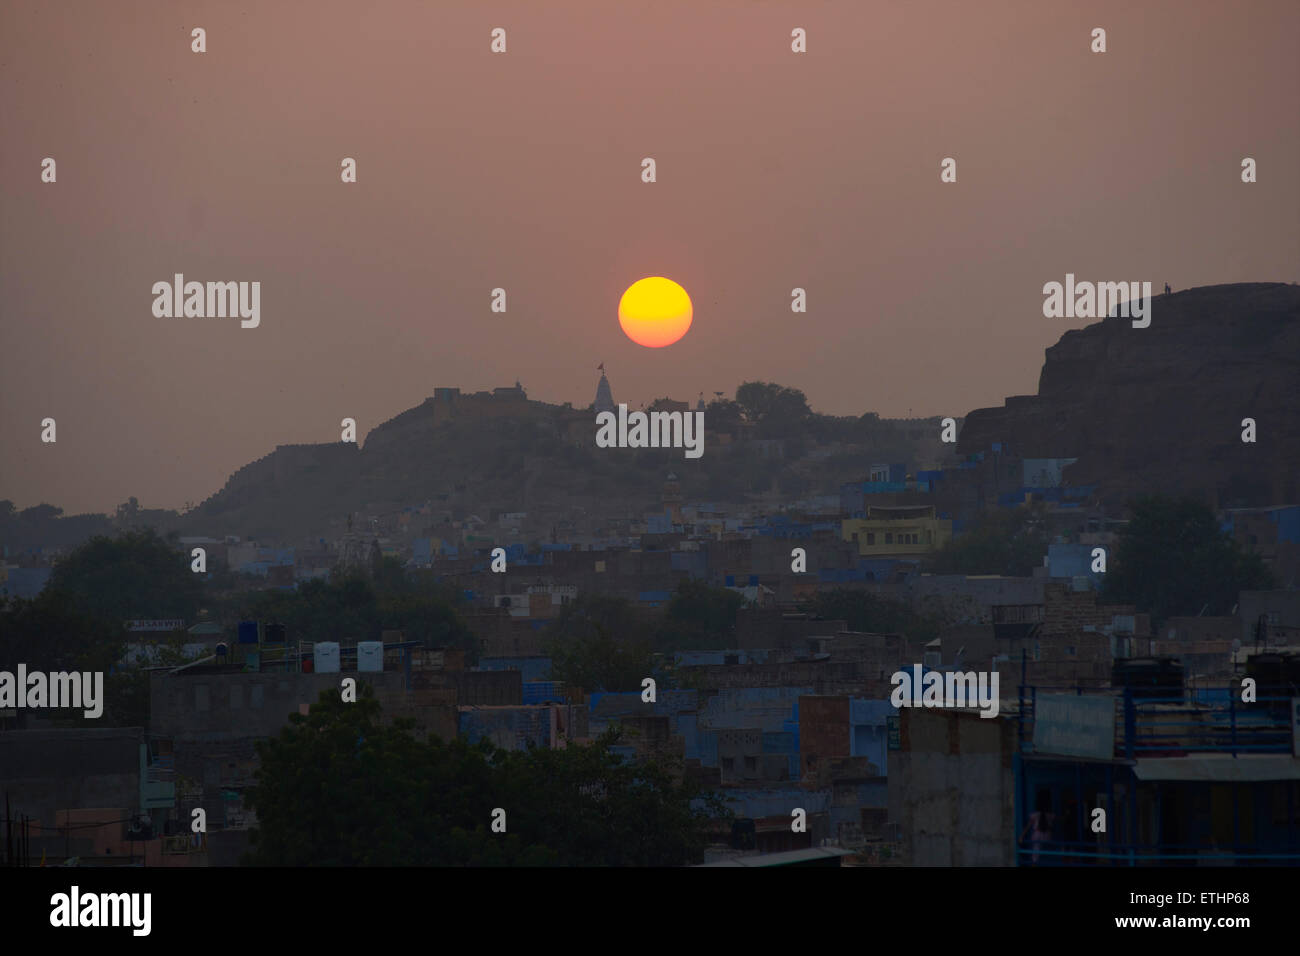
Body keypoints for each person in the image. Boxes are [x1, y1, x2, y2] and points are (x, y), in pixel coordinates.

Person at [1020, 790, 1055, 865]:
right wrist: (1021, 836)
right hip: (1043, 834)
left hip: (1041, 834)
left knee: (1039, 852)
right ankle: (1035, 863)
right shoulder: (1043, 815)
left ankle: (1035, 863)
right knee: (1038, 851)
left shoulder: (1047, 815)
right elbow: (1028, 826)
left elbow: (1028, 826)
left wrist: (1021, 836)